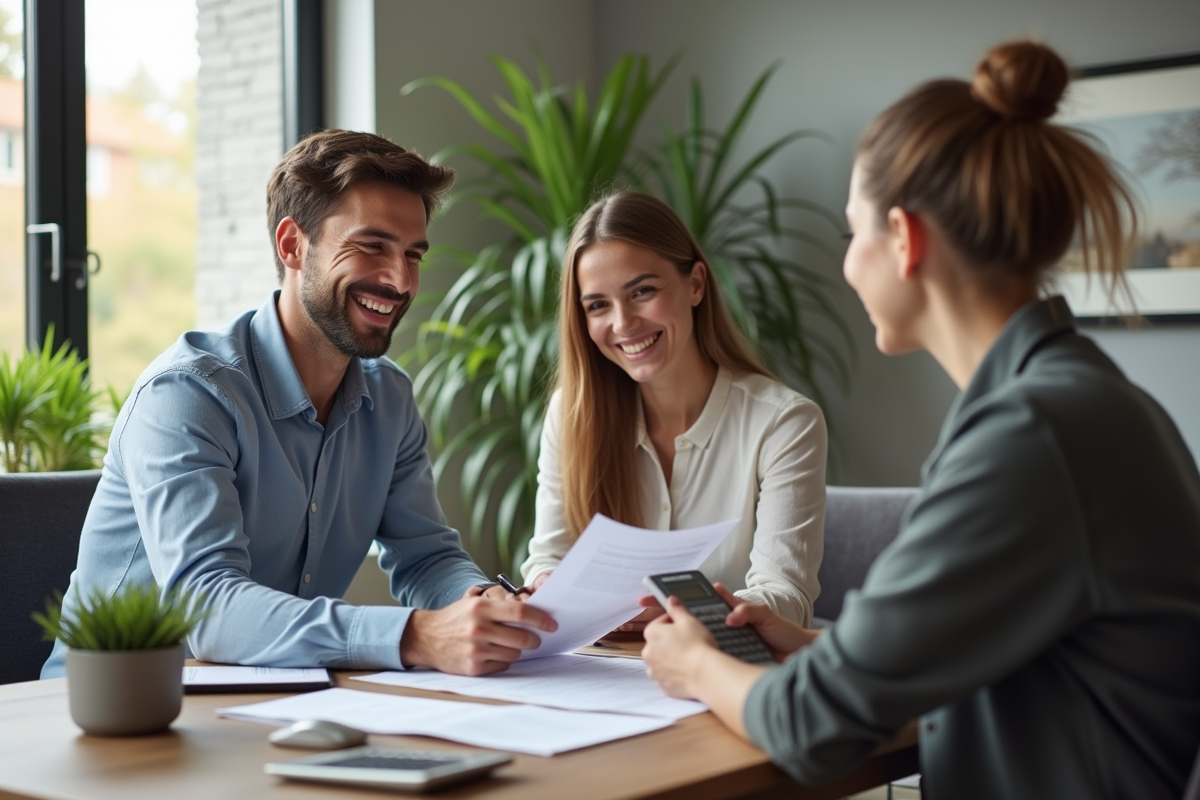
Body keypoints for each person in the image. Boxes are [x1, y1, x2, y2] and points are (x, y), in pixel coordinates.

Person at [640, 41, 1200, 799]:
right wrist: (811, 645)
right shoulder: (1073, 404)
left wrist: (697, 665)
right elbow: (1002, 639)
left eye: (851, 236)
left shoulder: (1031, 438)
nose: (847, 267)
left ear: (904, 240)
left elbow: (815, 728)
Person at [42, 130, 555, 680]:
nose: (402, 280)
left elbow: (426, 558)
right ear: (293, 245)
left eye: (413, 254)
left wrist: (483, 605)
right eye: (371, 246)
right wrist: (416, 635)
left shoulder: (389, 398)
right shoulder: (187, 395)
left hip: (279, 699)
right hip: (112, 711)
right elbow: (209, 611)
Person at [520, 191, 826, 627]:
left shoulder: (783, 423)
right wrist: (549, 584)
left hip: (723, 668)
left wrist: (688, 615)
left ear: (696, 284)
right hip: (603, 670)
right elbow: (548, 557)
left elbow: (786, 598)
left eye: (642, 291)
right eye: (598, 306)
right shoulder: (571, 414)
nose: (623, 324)